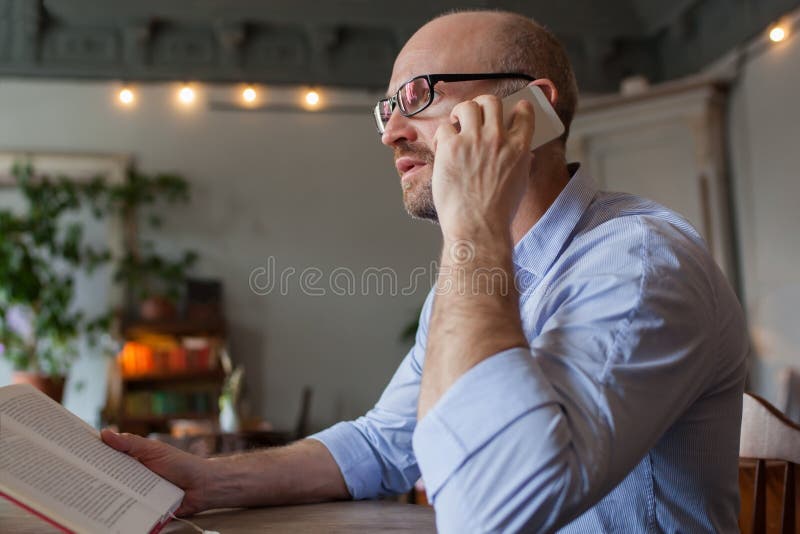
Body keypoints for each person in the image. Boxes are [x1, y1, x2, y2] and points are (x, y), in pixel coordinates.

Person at [102, 9, 749, 532]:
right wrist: (206, 480)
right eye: (388, 107)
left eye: (418, 95)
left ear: (529, 110)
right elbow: (383, 444)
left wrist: (472, 224)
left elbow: (489, 514)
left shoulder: (637, 262)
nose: (391, 133)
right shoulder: (476, 274)